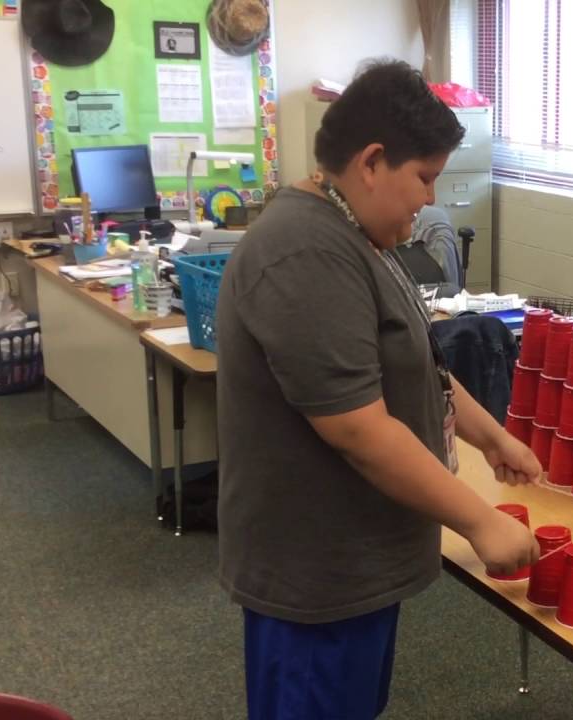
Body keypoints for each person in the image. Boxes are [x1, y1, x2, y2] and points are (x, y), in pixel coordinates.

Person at [215, 59, 541, 720]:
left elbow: (419, 365)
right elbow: (357, 428)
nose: (428, 199)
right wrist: (478, 520)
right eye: (423, 177)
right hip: (317, 576)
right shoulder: (306, 251)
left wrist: (493, 437)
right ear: (370, 162)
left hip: (358, 559)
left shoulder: (357, 233)